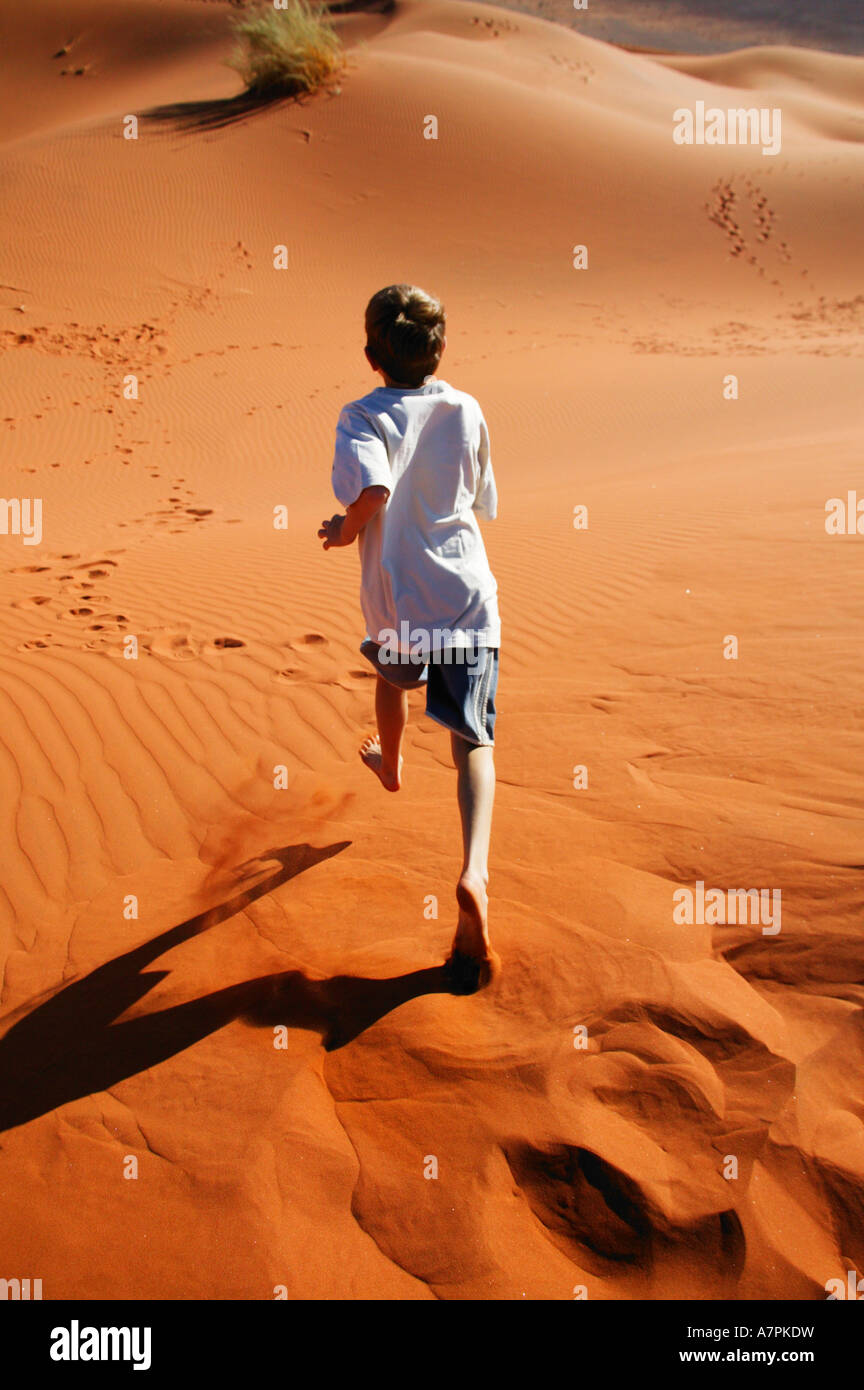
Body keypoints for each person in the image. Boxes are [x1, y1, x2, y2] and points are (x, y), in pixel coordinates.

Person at [318, 284, 501, 990]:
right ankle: (474, 872)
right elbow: (475, 496)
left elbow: (371, 493)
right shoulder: (464, 407)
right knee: (472, 741)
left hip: (399, 601)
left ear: (371, 355)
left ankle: (391, 765)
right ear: (440, 349)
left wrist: (344, 532)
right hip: (464, 598)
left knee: (390, 678)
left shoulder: (362, 414)